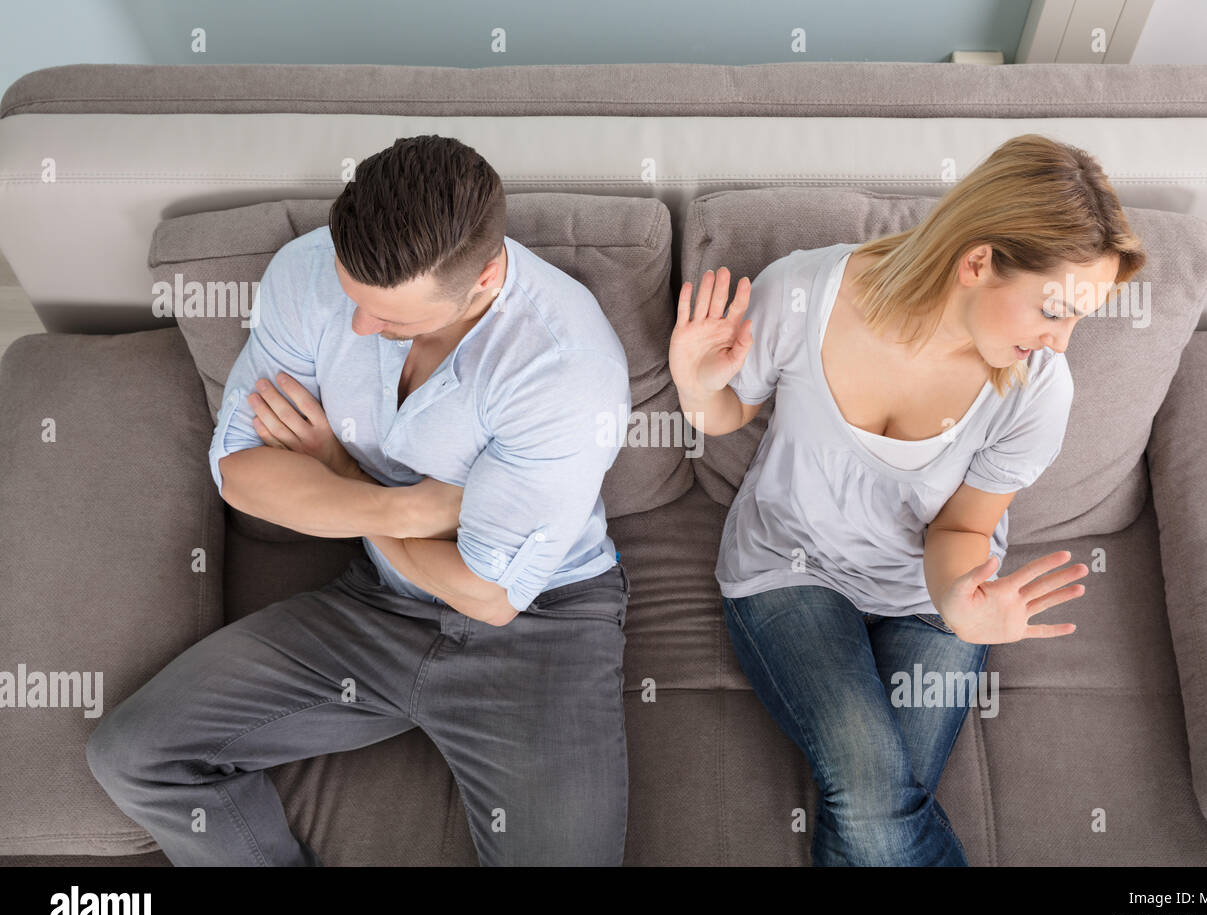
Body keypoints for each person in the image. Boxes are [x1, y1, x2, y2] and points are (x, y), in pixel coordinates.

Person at [86, 134, 633, 866]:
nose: (359, 330)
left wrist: (337, 478)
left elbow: (489, 596)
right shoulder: (309, 271)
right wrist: (394, 507)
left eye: (396, 320)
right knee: (133, 754)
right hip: (378, 601)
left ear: (485, 278)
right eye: (353, 298)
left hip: (541, 628)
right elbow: (244, 476)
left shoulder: (565, 369)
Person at [670, 133, 1147, 866]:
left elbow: (962, 525)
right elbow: (729, 409)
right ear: (977, 260)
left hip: (936, 591)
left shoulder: (1038, 388)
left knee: (878, 808)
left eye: (1080, 317)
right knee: (874, 797)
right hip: (792, 568)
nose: (1061, 342)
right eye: (1055, 309)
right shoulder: (803, 294)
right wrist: (698, 388)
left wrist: (961, 603)